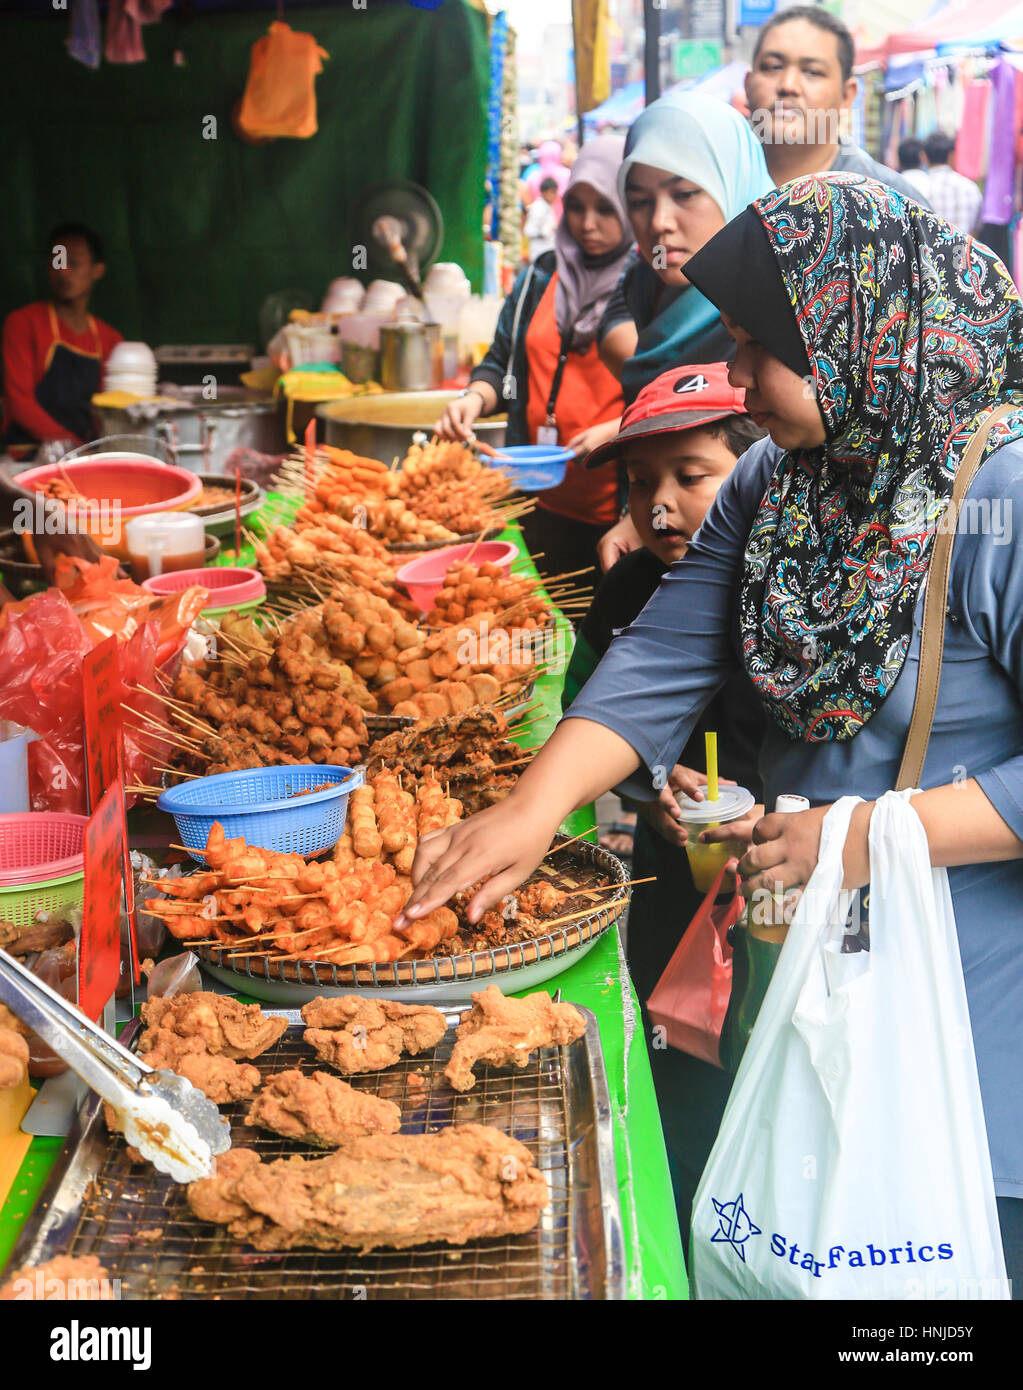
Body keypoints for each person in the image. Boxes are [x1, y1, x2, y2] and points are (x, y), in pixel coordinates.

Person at [400, 173, 1023, 1292]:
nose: (735, 375)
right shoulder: (782, 480)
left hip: (974, 1030)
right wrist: (530, 809)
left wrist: (872, 835)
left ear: (854, 331)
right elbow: (665, 658)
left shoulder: (1004, 497)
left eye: (755, 346)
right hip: (800, 963)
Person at [561, 362, 767, 1251]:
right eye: (641, 483)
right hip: (671, 883)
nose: (661, 506)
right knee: (676, 1056)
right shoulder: (628, 591)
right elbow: (592, 709)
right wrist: (648, 794)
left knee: (760, 1058)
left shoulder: (797, 598)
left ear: (759, 474)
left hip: (777, 891)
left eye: (692, 476)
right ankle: (686, 1220)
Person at [436, 135, 630, 581]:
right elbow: (500, 364)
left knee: (608, 639)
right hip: (538, 500)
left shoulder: (646, 288)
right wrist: (474, 399)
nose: (587, 223)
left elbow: (675, 393)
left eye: (605, 208)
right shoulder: (538, 278)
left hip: (617, 512)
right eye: (576, 207)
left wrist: (618, 430)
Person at [594, 93, 773, 572]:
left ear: (731, 182)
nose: (659, 223)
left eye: (685, 193)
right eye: (639, 201)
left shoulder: (774, 300)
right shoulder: (643, 282)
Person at [744, 5, 929, 204]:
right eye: (773, 67)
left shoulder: (894, 204)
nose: (788, 85)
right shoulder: (713, 191)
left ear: (846, 96)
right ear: (747, 84)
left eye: (812, 72)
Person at [2, 223, 122, 458]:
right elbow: (18, 401)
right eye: (57, 262)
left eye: (74, 263)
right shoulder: (23, 322)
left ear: (97, 270)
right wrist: (69, 446)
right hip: (28, 456)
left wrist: (88, 452)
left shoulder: (110, 339)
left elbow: (106, 413)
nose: (64, 271)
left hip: (84, 458)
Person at [923, 130, 982, 235]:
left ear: (924, 157)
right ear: (951, 155)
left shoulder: (920, 188)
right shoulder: (971, 188)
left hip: (930, 250)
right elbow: (976, 231)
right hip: (964, 250)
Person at [523, 177, 559, 261]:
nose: (554, 196)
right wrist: (547, 231)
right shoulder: (538, 207)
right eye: (552, 192)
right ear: (544, 192)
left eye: (555, 193)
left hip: (547, 251)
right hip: (539, 253)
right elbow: (529, 231)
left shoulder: (547, 206)